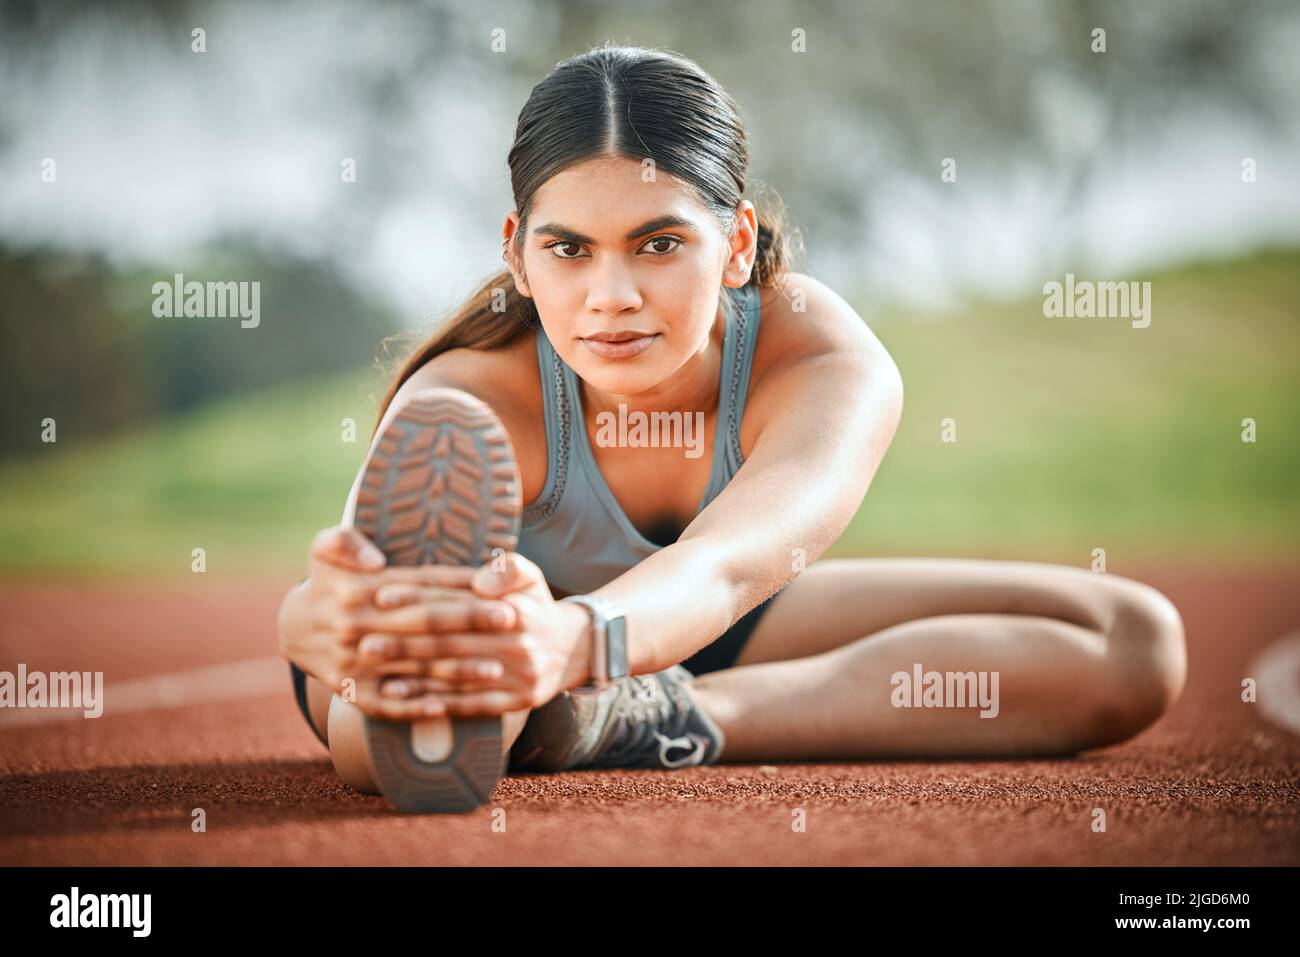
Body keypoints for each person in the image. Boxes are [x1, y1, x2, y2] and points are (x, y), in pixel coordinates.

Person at [276, 43, 1187, 811]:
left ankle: (635, 718)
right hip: (479, 643)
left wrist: (581, 649)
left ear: (739, 242)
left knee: (1133, 642)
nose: (613, 298)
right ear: (516, 248)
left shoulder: (821, 359)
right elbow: (332, 610)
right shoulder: (472, 396)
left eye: (659, 243)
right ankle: (479, 703)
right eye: (569, 249)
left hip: (698, 623)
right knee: (430, 707)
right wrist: (323, 620)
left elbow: (723, 569)